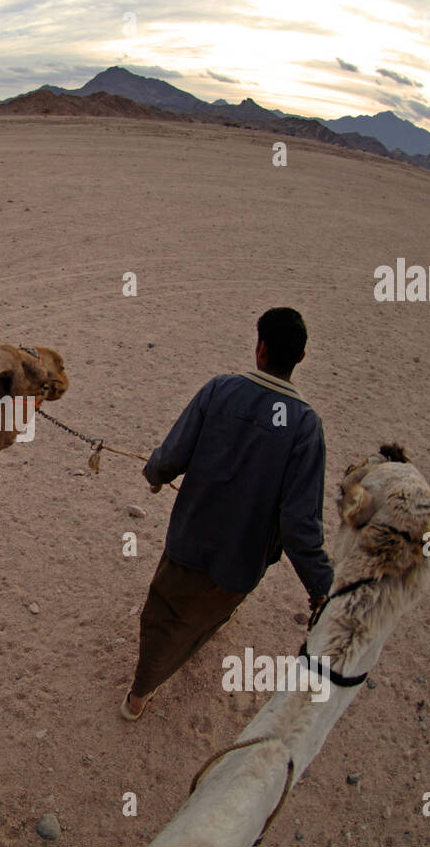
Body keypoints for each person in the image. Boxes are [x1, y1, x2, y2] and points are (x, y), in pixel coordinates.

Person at [122, 307, 334, 720]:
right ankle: (176, 658)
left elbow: (173, 455)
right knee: (209, 614)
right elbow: (299, 522)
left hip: (189, 540)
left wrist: (154, 473)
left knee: (164, 615)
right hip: (243, 559)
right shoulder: (305, 425)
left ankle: (139, 695)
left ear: (261, 348)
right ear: (301, 358)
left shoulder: (220, 390)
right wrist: (322, 586)